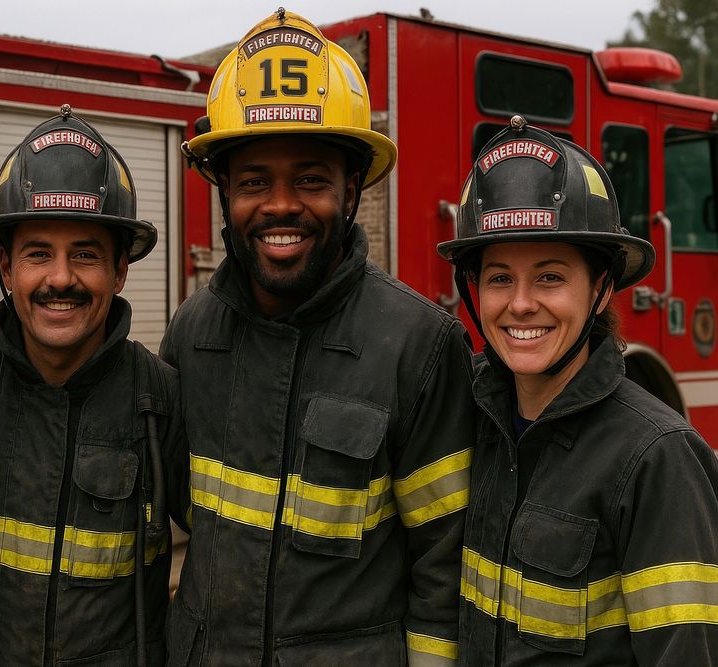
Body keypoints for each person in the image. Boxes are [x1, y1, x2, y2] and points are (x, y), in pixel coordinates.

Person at [166, 9, 475, 665]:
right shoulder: (192, 332)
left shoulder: (419, 344)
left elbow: (443, 571)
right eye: (253, 180)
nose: (281, 205)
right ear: (222, 187)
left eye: (310, 178)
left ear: (353, 184)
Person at [437, 115, 718, 664]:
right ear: (473, 291)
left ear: (601, 287)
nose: (520, 304)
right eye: (499, 278)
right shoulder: (468, 424)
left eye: (550, 277)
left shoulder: (657, 458)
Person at [0, 105, 186, 666]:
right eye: (37, 253)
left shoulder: (163, 402)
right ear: (4, 268)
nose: (61, 279)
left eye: (86, 255)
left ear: (121, 270)